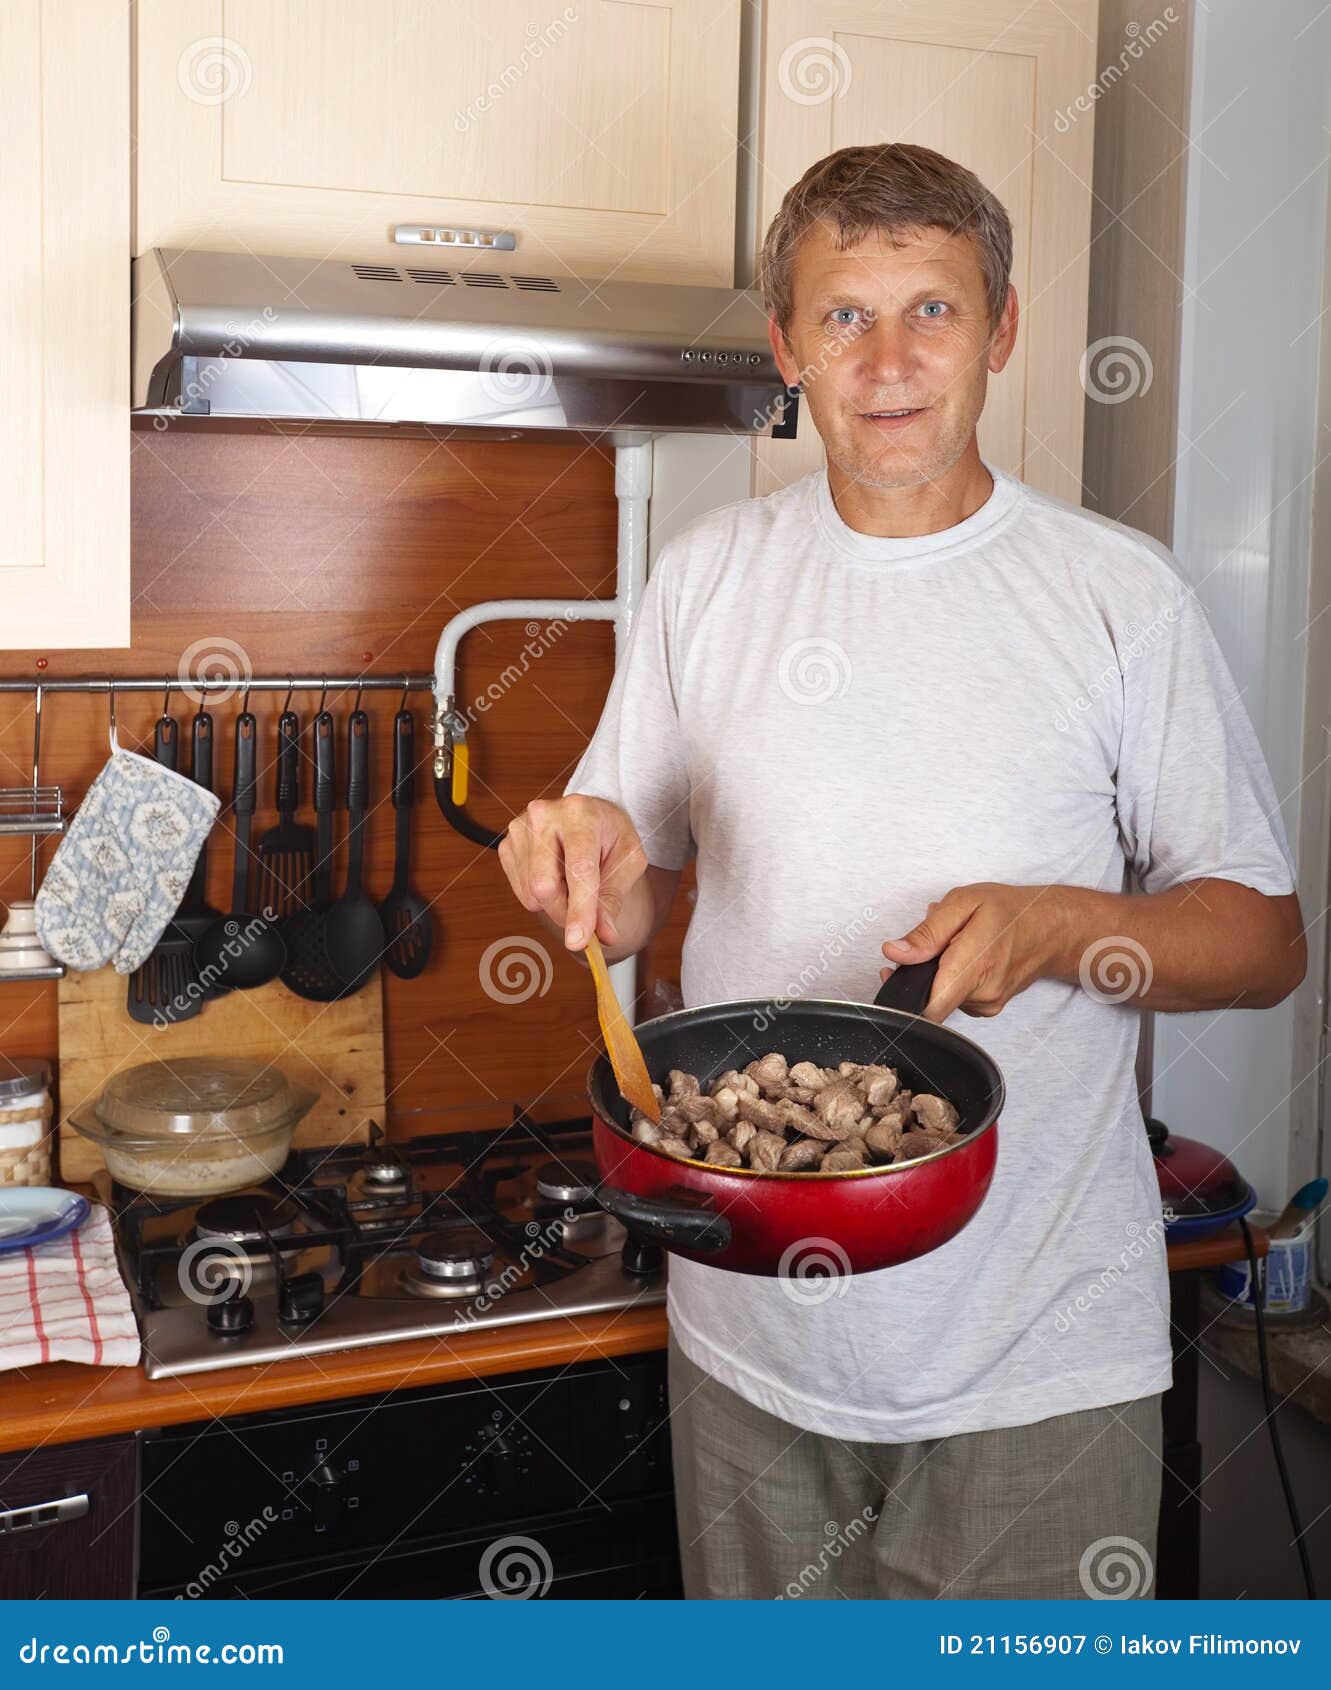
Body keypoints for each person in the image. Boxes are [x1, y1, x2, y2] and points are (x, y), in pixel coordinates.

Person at [496, 142, 1306, 1600]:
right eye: (844, 317)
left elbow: (1262, 943)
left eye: (930, 310)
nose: (886, 362)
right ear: (786, 347)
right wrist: (580, 867)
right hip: (749, 1336)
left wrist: (1063, 925)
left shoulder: (1118, 595)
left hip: (1037, 1363)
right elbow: (630, 890)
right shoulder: (705, 578)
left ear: (1000, 330)